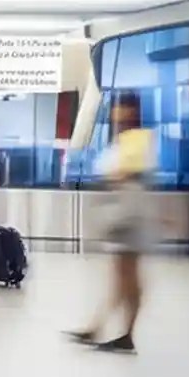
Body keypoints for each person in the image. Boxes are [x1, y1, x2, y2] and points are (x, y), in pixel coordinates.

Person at [66, 91, 154, 354]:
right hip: (125, 214)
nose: (118, 114)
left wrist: (114, 176)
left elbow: (127, 172)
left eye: (123, 109)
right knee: (123, 276)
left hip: (129, 214)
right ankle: (103, 328)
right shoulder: (122, 141)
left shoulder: (137, 139)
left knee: (128, 277)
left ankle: (121, 332)